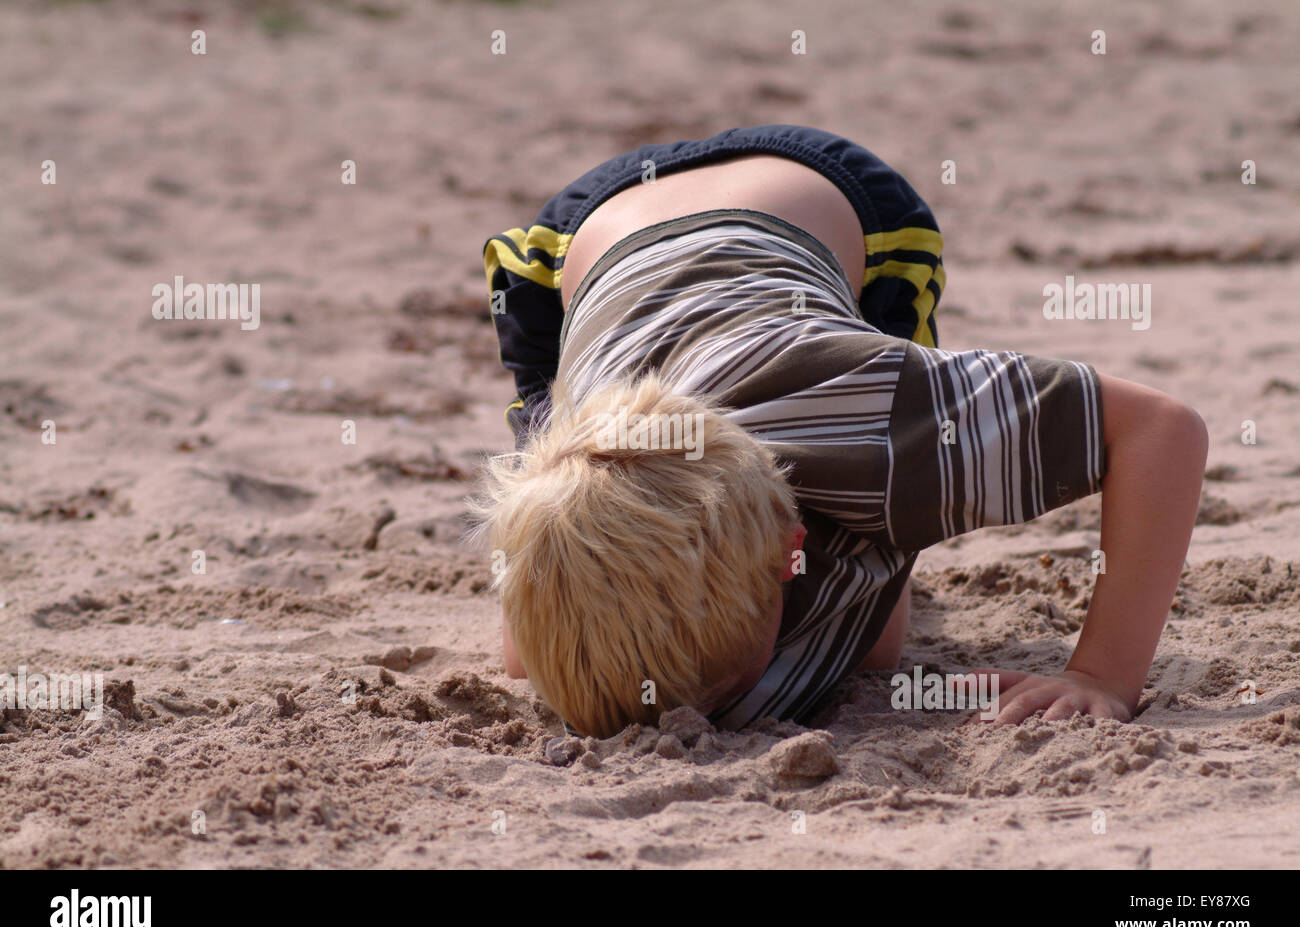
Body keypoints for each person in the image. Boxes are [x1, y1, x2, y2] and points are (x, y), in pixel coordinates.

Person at [474, 125, 1208, 739]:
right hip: (567, 265)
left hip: (829, 202)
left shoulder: (878, 412)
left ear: (792, 552)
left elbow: (1159, 430)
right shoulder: (583, 429)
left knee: (878, 645)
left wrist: (1102, 673)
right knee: (526, 647)